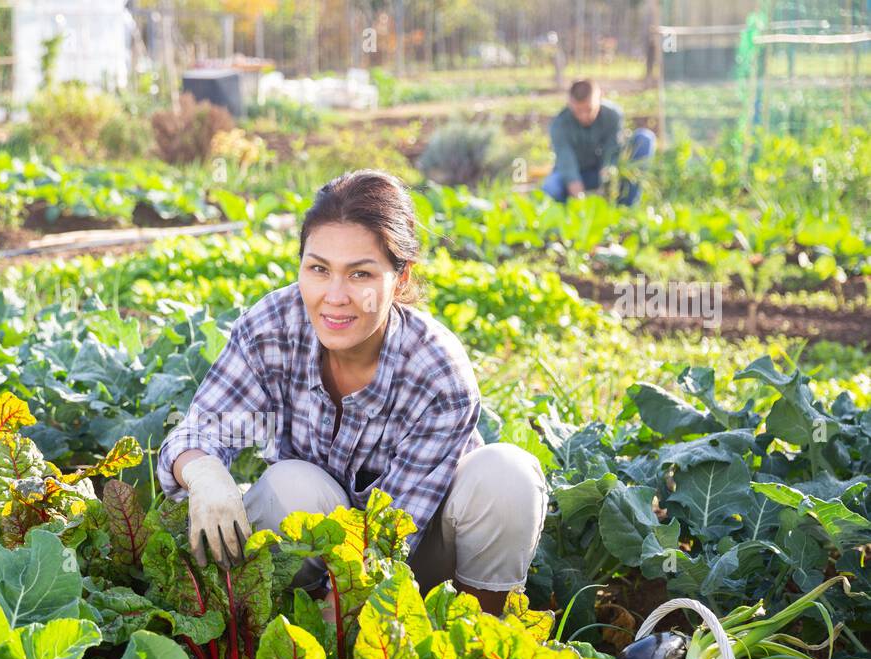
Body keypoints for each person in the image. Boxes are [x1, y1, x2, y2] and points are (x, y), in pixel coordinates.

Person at [156, 170, 548, 616]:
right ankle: (257, 620)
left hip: (424, 560)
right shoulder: (272, 328)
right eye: (318, 269)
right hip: (316, 546)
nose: (334, 297)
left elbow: (388, 543)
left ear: (400, 280)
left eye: (360, 273)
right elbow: (198, 431)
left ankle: (477, 638)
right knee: (292, 485)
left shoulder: (437, 372)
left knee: (507, 475)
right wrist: (206, 475)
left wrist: (336, 642)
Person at [541, 79, 657, 207]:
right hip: (575, 175)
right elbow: (566, 162)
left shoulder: (612, 115)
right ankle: (562, 214)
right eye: (578, 111)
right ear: (570, 103)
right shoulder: (559, 124)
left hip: (602, 174)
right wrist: (582, 204)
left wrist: (607, 185)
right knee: (550, 188)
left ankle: (626, 208)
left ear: (600, 98)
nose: (584, 116)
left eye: (589, 110)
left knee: (645, 138)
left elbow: (612, 153)